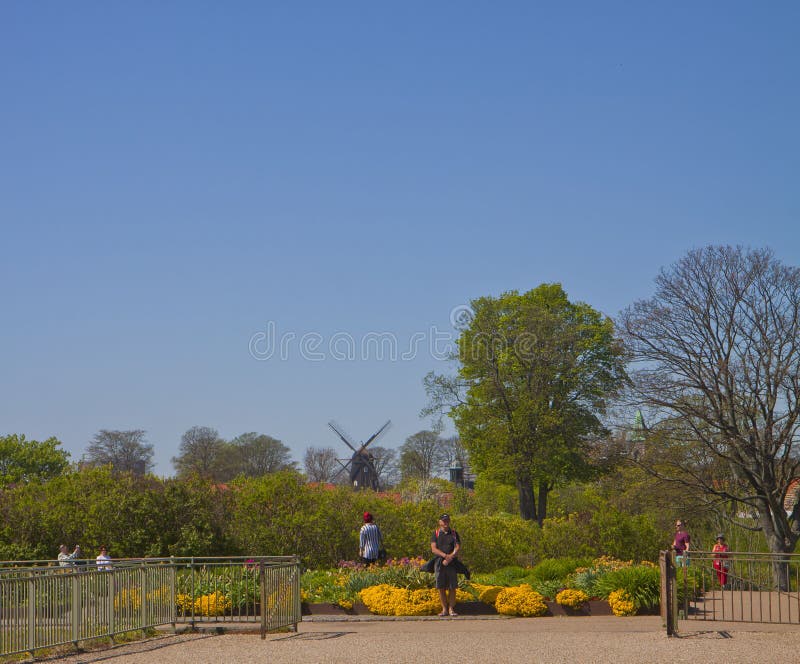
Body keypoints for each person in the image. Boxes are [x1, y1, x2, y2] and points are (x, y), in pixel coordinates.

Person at [430, 513, 461, 617]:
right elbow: (433, 549)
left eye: (447, 520)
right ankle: (444, 609)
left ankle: (451, 609)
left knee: (452, 587)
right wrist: (445, 556)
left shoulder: (454, 533)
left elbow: (457, 547)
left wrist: (450, 557)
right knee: (441, 587)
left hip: (451, 563)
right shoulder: (436, 533)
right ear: (440, 522)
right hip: (439, 563)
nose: (445, 522)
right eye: (444, 521)